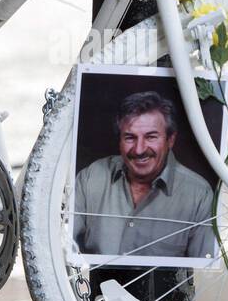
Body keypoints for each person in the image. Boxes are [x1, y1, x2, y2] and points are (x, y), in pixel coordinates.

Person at [73, 90, 216, 261]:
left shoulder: (199, 194)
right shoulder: (91, 177)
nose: (139, 149)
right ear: (119, 140)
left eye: (151, 137)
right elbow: (59, 245)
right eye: (130, 138)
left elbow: (207, 273)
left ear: (170, 139)